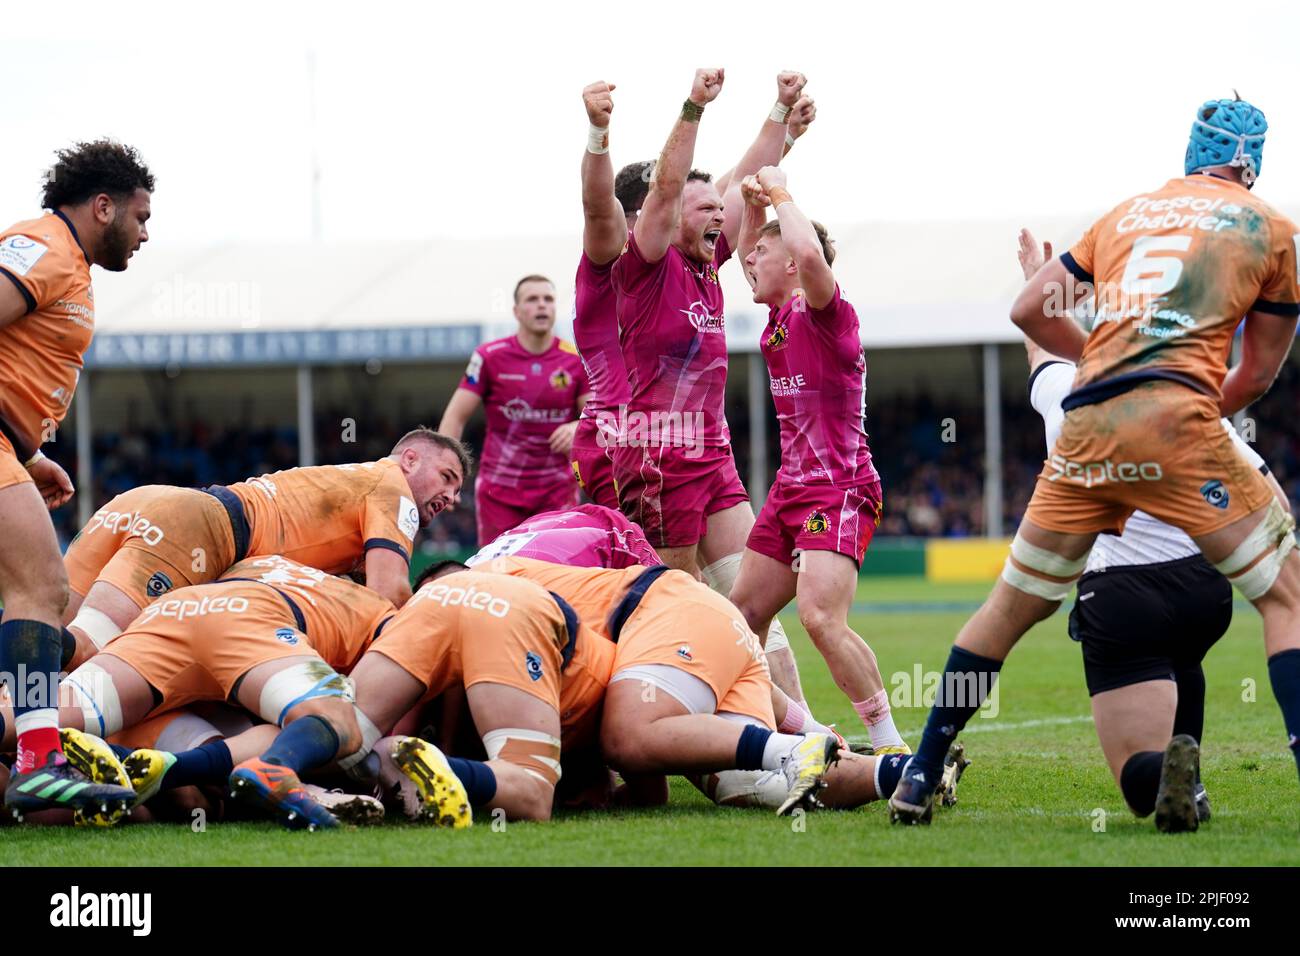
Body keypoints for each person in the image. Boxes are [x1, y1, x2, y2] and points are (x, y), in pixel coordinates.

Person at [890, 96, 1300, 827]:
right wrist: (1186, 390)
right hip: (1182, 429)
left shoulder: (1125, 214)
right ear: (1252, 163)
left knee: (1005, 613)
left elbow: (1028, 313)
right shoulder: (1271, 227)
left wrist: (1111, 366)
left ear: (1191, 153)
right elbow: (1260, 375)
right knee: (1286, 597)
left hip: (1089, 426)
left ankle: (920, 773)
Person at [1016, 228, 1288, 830]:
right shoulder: (1186, 400)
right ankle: (1191, 785)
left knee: (1137, 783)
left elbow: (1041, 350)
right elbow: (1264, 487)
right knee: (1184, 658)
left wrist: (1035, 280)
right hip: (1205, 587)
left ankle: (1165, 775)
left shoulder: (1071, 394)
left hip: (1122, 594)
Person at [607, 69, 812, 702]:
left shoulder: (705, 262)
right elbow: (675, 186)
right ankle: (686, 728)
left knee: (750, 600)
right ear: (658, 216)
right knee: (683, 613)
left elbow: (743, 178)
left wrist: (780, 114)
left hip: (711, 453)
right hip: (658, 456)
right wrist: (694, 104)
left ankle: (803, 728)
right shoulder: (646, 265)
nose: (719, 218)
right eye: (704, 208)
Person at [4, 554, 397, 829]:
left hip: (175, 610)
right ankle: (195, 770)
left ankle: (103, 760)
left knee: (43, 715)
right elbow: (377, 709)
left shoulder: (265, 560)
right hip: (250, 625)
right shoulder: (380, 610)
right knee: (338, 724)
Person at [727, 166, 906, 754]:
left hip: (839, 485)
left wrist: (779, 188)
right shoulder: (777, 321)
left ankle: (892, 747)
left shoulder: (827, 312)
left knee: (820, 617)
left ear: (795, 266)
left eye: (762, 253)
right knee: (740, 617)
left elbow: (806, 250)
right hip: (791, 488)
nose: (747, 262)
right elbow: (740, 249)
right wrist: (754, 211)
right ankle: (805, 734)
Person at [0, 140, 154, 816]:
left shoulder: (68, 263)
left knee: (36, 589)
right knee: (43, 587)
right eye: (140, 216)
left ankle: (35, 762)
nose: (145, 232)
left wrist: (29, 453)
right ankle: (37, 764)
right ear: (102, 206)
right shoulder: (46, 248)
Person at [60, 427, 468, 668]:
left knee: (45, 639)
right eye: (446, 477)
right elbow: (389, 594)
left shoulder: (359, 480)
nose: (451, 498)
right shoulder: (393, 488)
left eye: (457, 491)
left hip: (146, 504)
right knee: (87, 652)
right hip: (196, 529)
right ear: (410, 460)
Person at [439, 276, 591, 545]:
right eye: (532, 300)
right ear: (516, 311)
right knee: (500, 576)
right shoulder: (489, 356)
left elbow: (596, 415)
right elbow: (455, 417)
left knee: (554, 573)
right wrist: (444, 475)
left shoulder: (575, 359)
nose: (542, 306)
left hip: (556, 492)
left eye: (548, 299)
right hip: (499, 493)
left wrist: (576, 426)